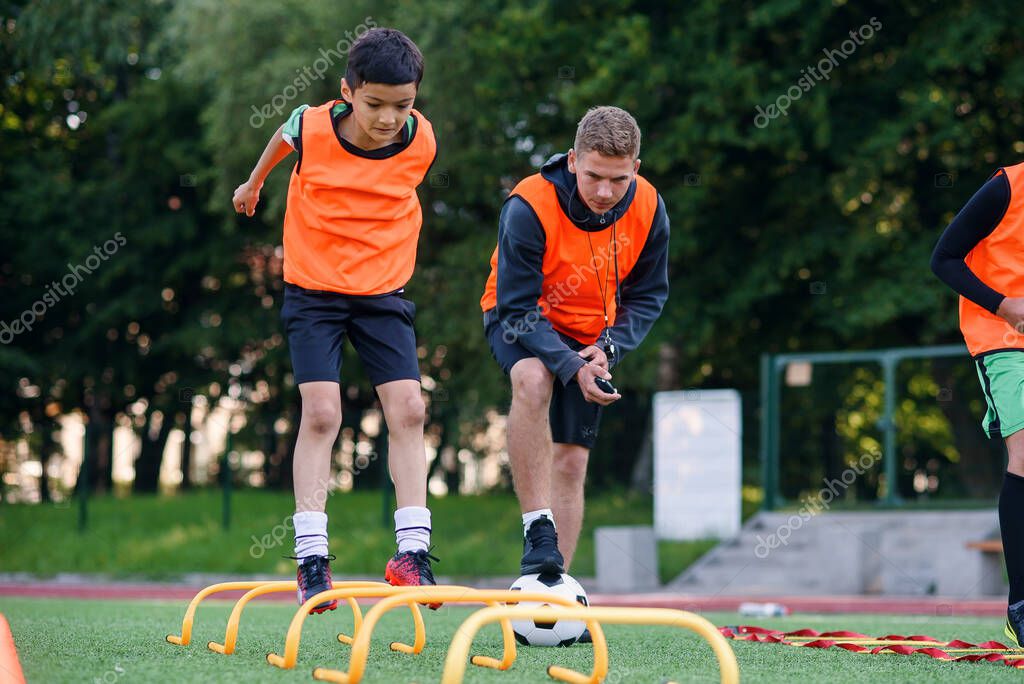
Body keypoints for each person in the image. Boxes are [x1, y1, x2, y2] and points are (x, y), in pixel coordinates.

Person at [232, 28, 439, 613]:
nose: (389, 119)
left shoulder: (421, 140)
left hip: (382, 292)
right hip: (315, 292)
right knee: (323, 413)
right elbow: (283, 135)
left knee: (410, 409)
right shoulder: (313, 127)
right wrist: (254, 183)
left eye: (403, 105)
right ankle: (312, 558)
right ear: (347, 92)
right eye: (375, 104)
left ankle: (412, 553)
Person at [480, 106, 669, 619]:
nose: (605, 192)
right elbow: (517, 309)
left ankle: (554, 593)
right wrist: (569, 365)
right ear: (571, 160)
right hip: (521, 317)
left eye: (618, 179)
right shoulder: (528, 205)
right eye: (593, 176)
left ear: (635, 168)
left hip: (591, 337)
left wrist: (610, 348)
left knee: (572, 461)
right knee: (532, 377)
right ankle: (537, 528)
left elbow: (649, 295)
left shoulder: (650, 205)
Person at [931, 162, 1024, 644]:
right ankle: (1021, 604)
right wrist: (1004, 304)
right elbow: (943, 258)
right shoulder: (1007, 186)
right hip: (1003, 338)